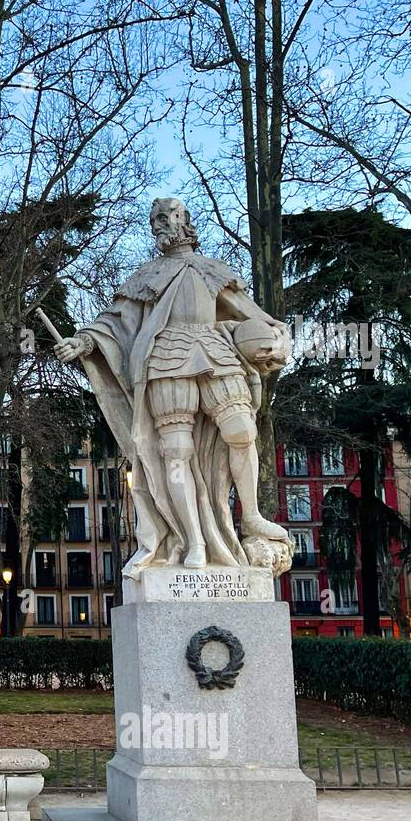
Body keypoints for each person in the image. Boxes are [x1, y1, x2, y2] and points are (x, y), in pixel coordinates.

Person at [53, 197, 290, 576]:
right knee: (175, 451)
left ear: (185, 219)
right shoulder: (146, 276)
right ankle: (193, 539)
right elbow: (115, 321)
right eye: (155, 219)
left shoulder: (213, 271)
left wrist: (278, 337)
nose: (160, 225)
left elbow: (257, 317)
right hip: (166, 359)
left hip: (215, 353)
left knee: (241, 431)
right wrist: (83, 342)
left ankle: (252, 518)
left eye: (167, 217)